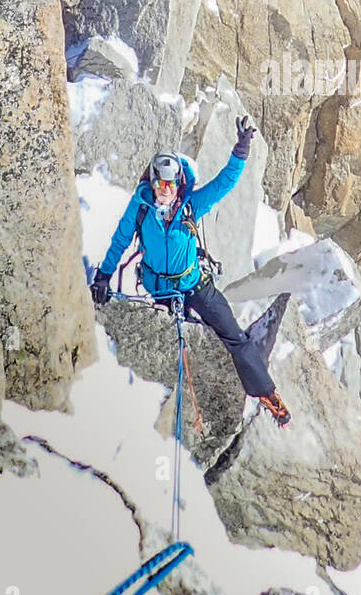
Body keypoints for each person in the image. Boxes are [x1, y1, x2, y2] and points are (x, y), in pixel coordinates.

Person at [89, 115, 291, 427]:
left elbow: (225, 183)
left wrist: (241, 148)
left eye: (170, 183)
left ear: (180, 182)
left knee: (233, 335)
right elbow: (120, 239)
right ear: (152, 181)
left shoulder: (191, 206)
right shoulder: (140, 206)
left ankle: (265, 392)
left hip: (195, 284)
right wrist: (103, 274)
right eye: (159, 183)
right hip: (160, 289)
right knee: (174, 344)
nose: (164, 190)